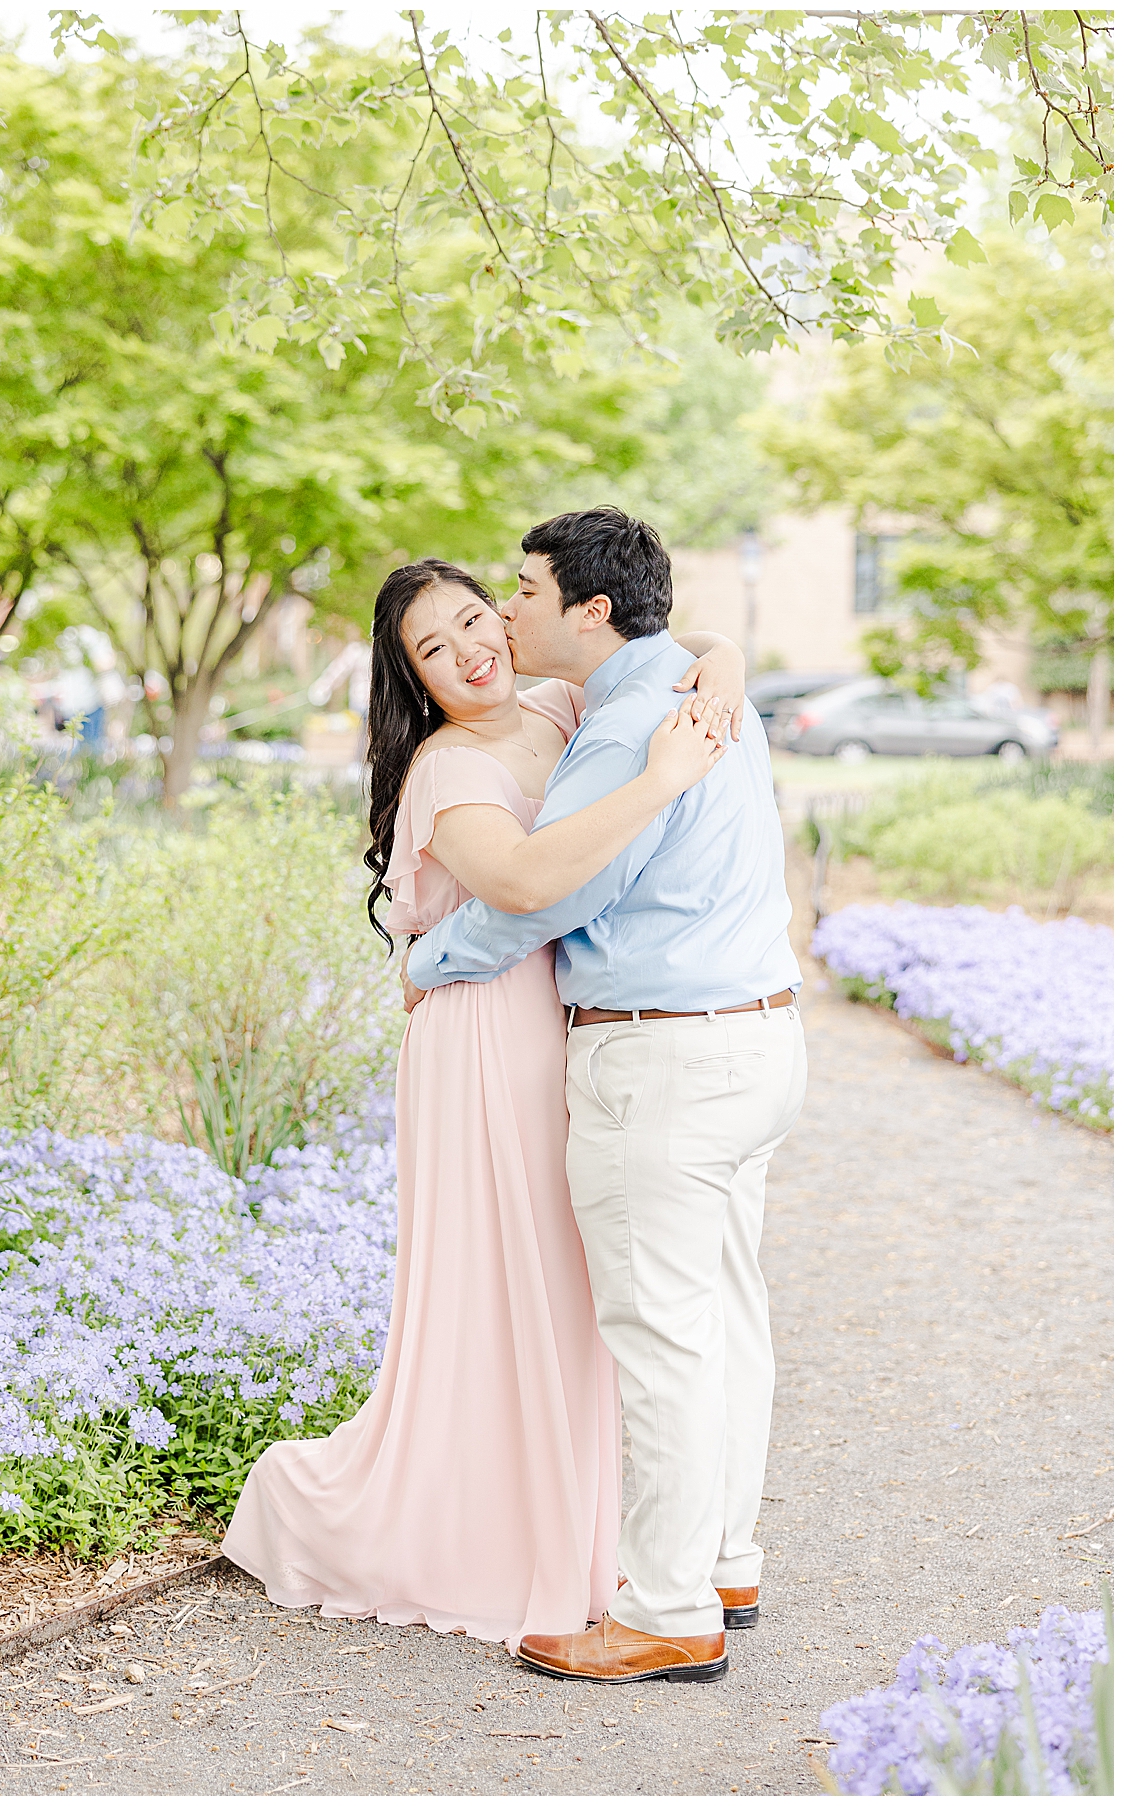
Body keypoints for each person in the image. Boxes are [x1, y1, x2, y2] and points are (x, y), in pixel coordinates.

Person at [221, 555, 746, 1651]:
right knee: (508, 1283)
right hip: (479, 1033)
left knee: (577, 1285)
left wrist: (725, 678)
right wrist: (666, 776)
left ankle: (584, 1532)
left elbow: (687, 648)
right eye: (435, 650)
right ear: (415, 681)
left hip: (560, 1024)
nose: (471, 651)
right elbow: (515, 885)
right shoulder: (446, 770)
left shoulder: (557, 702)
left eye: (476, 619)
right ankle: (483, 1535)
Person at [405, 509, 806, 1685]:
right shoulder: (691, 682)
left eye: (522, 590)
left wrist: (425, 960)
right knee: (725, 1316)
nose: (507, 610)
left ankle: (666, 1610)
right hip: (756, 1043)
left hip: (665, 1063)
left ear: (590, 610)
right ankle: (724, 1560)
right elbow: (711, 647)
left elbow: (542, 896)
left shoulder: (629, 723)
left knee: (662, 1338)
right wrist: (721, 653)